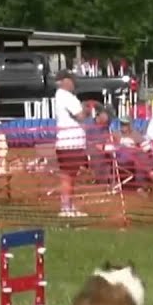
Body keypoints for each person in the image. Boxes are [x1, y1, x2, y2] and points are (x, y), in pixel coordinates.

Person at [53, 69, 89, 217]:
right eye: (72, 80)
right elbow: (80, 116)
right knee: (67, 176)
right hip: (70, 144)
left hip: (72, 143)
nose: (75, 84)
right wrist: (87, 109)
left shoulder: (63, 96)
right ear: (66, 81)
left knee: (71, 176)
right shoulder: (66, 96)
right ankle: (65, 207)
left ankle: (69, 205)